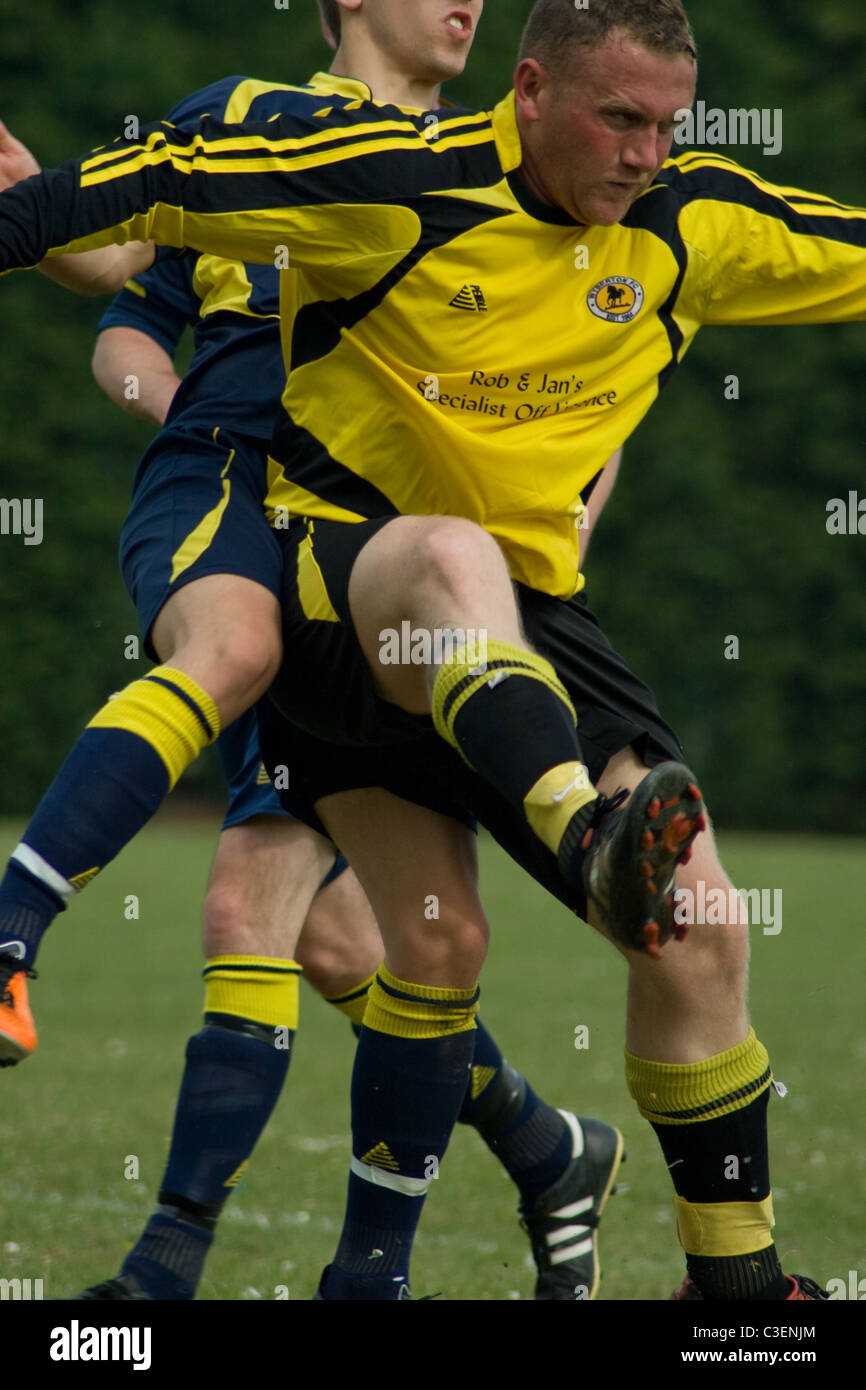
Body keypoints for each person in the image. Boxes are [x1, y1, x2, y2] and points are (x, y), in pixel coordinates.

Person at [0, 0, 851, 1300]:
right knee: (390, 644)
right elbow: (144, 210)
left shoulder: (691, 223)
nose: (643, 152)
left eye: (665, 124)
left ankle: (727, 1290)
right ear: (527, 90)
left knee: (681, 930)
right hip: (345, 580)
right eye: (618, 118)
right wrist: (44, 224)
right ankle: (576, 840)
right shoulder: (374, 171)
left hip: (517, 620)